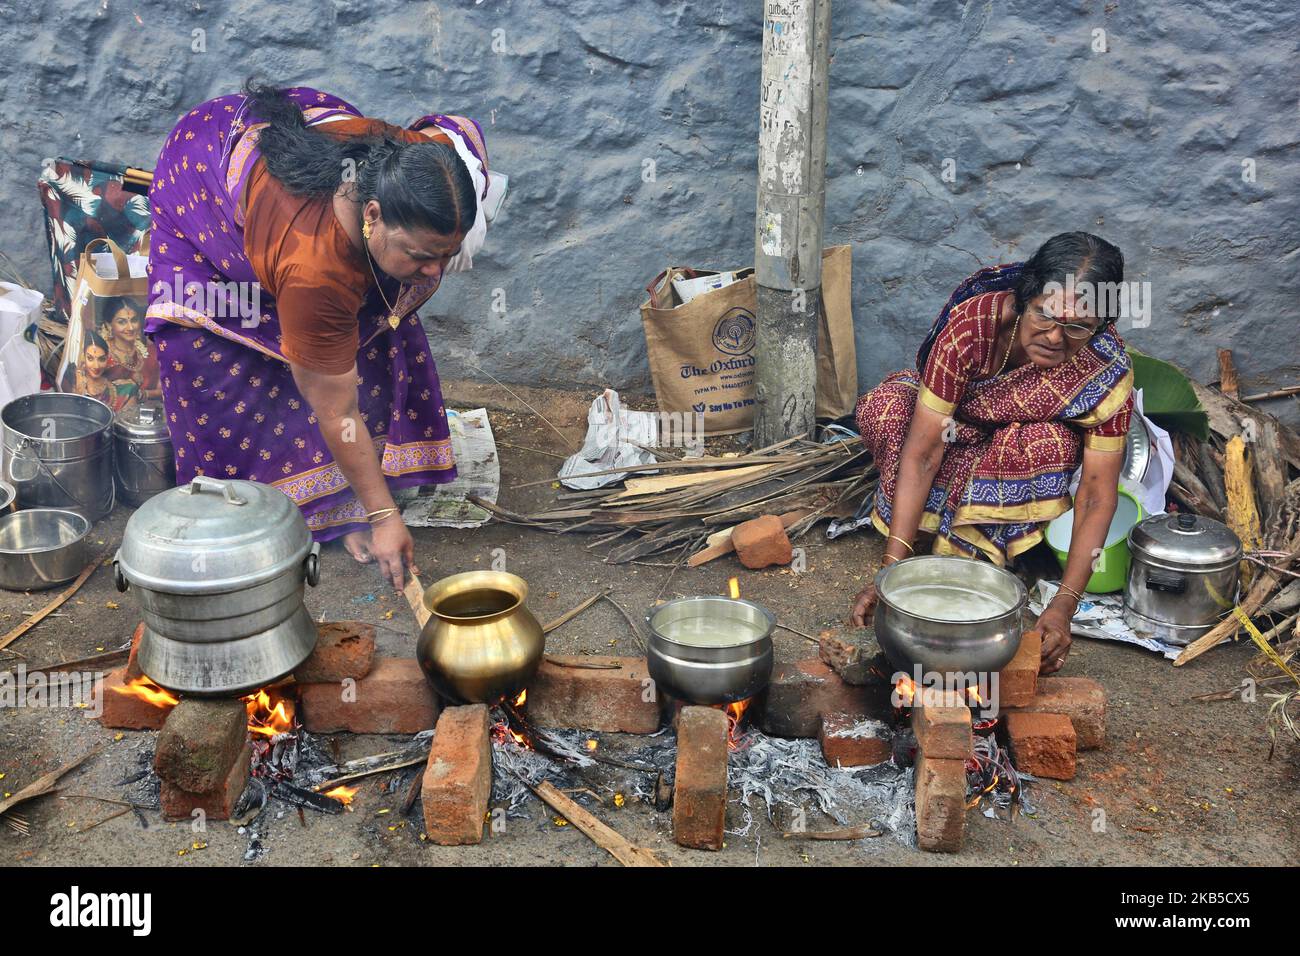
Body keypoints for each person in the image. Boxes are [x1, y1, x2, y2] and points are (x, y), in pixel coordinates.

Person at [144, 82, 491, 590]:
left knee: (371, 324)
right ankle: (322, 506)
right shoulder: (315, 270)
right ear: (372, 214)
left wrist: (453, 239)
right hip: (200, 184)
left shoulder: (419, 164)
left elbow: (463, 135)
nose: (436, 270)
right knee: (235, 362)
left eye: (448, 253)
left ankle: (339, 500)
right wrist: (382, 517)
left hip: (296, 148)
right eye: (422, 255)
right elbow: (337, 411)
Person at [849, 232, 1134, 675]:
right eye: (1045, 315)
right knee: (886, 409)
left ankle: (988, 543)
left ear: (1101, 325)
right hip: (953, 428)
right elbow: (924, 452)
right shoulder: (974, 326)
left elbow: (1098, 494)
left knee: (1047, 445)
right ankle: (917, 536)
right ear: (1025, 298)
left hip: (1017, 449)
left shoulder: (1105, 369)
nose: (1056, 337)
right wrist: (889, 573)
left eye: (1079, 326)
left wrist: (1064, 606)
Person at [99, 297, 161, 402]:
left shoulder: (152, 353)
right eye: (122, 322)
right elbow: (92, 389)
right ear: (109, 325)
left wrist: (144, 394)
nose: (130, 327)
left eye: (134, 320)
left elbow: (166, 390)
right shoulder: (101, 355)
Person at [62, 330, 140, 412]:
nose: (96, 366)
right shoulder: (72, 382)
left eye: (101, 359)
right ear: (83, 357)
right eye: (90, 358)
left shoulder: (124, 390)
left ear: (107, 358)